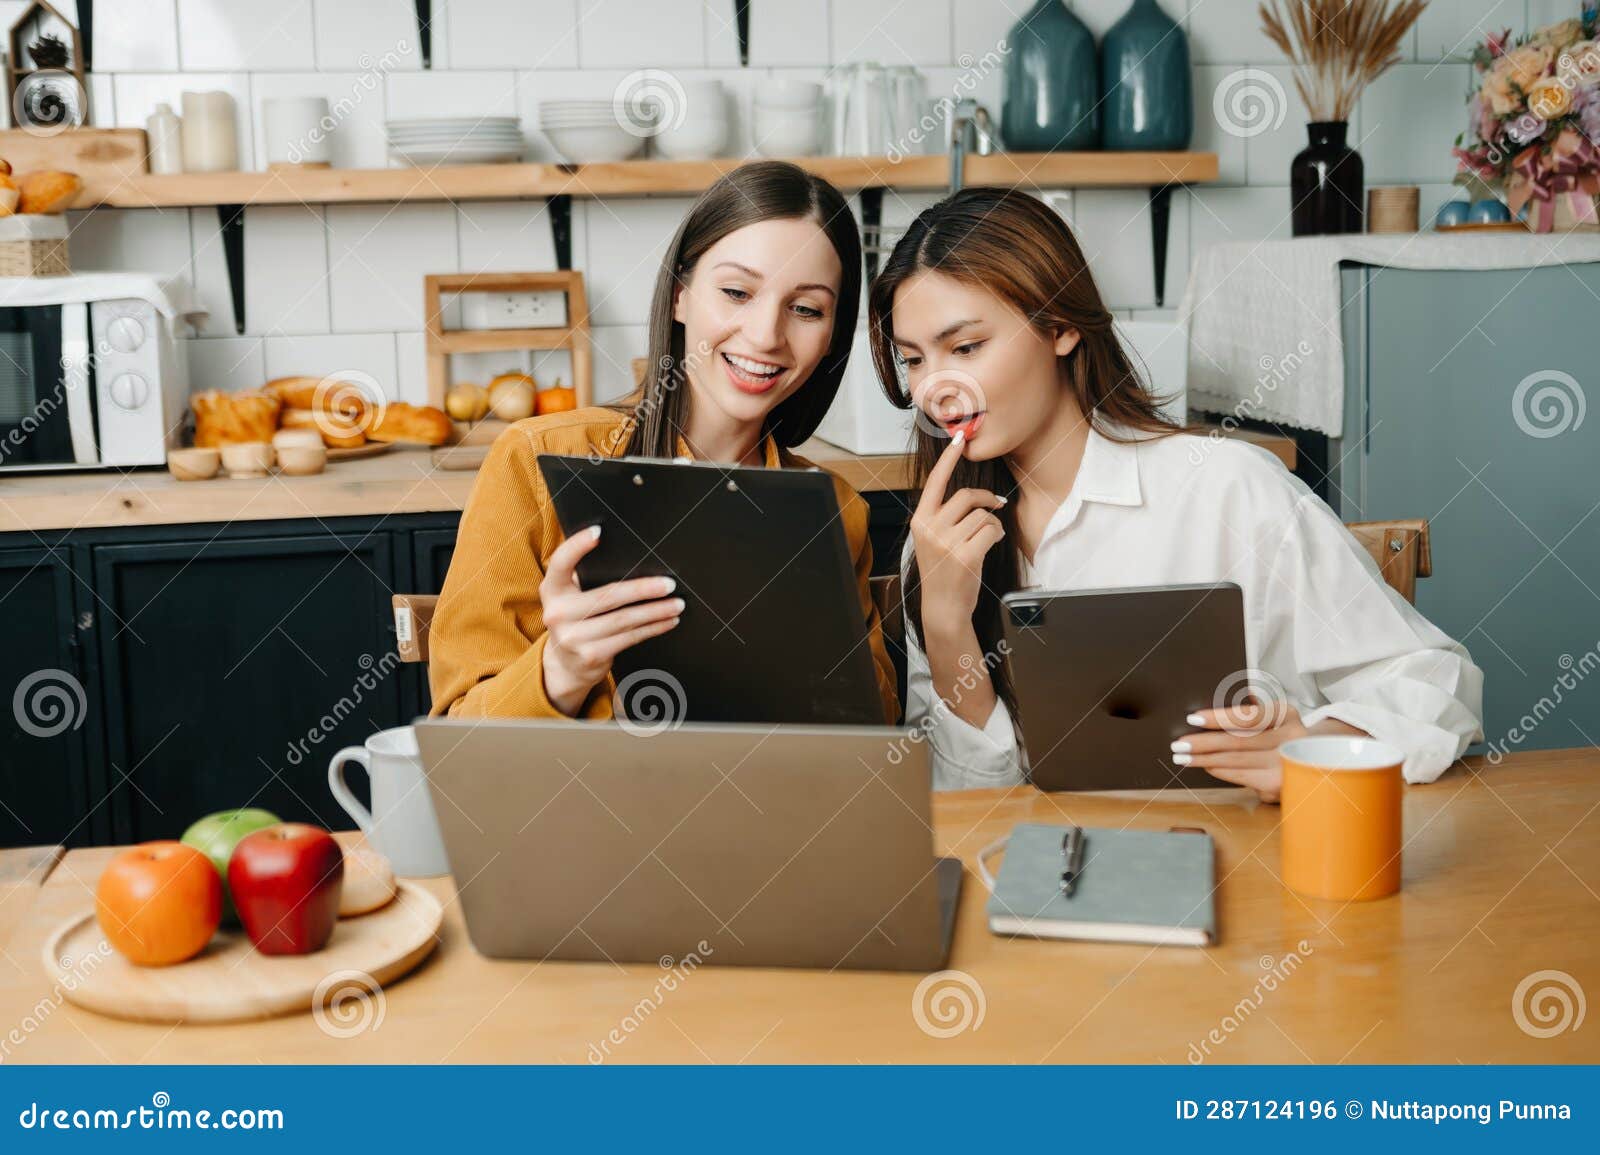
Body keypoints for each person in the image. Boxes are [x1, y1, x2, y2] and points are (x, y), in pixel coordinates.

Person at [867, 187, 1483, 796]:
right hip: (1040, 878)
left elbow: (1437, 683)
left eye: (966, 347)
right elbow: (971, 804)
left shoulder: (1226, 488)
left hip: (1243, 865)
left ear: (1060, 326)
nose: (935, 389)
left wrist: (1311, 749)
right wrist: (946, 625)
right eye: (913, 360)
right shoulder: (940, 543)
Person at [430, 161, 897, 723]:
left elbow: (872, 733)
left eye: (806, 309)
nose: (766, 335)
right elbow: (458, 741)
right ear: (680, 296)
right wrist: (562, 669)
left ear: (831, 337)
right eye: (736, 291)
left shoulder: (836, 509)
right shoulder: (534, 461)